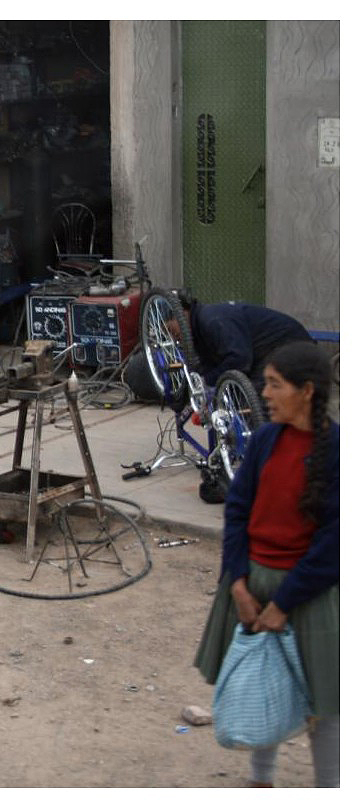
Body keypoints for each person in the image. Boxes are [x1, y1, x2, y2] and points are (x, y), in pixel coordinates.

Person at [194, 341, 338, 788]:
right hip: (253, 582)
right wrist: (237, 581)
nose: (266, 393)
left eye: (275, 385)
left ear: (307, 391)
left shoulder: (338, 453)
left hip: (310, 593)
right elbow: (237, 511)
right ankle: (260, 784)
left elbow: (335, 543)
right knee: (263, 680)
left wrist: (285, 603)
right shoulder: (263, 441)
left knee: (324, 703)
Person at [170, 291, 312, 392]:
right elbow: (209, 366)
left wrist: (206, 381)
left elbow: (240, 360)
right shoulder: (198, 332)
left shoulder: (211, 320)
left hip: (292, 348)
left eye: (171, 329)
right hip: (266, 353)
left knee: (258, 396)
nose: (172, 336)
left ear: (182, 313)